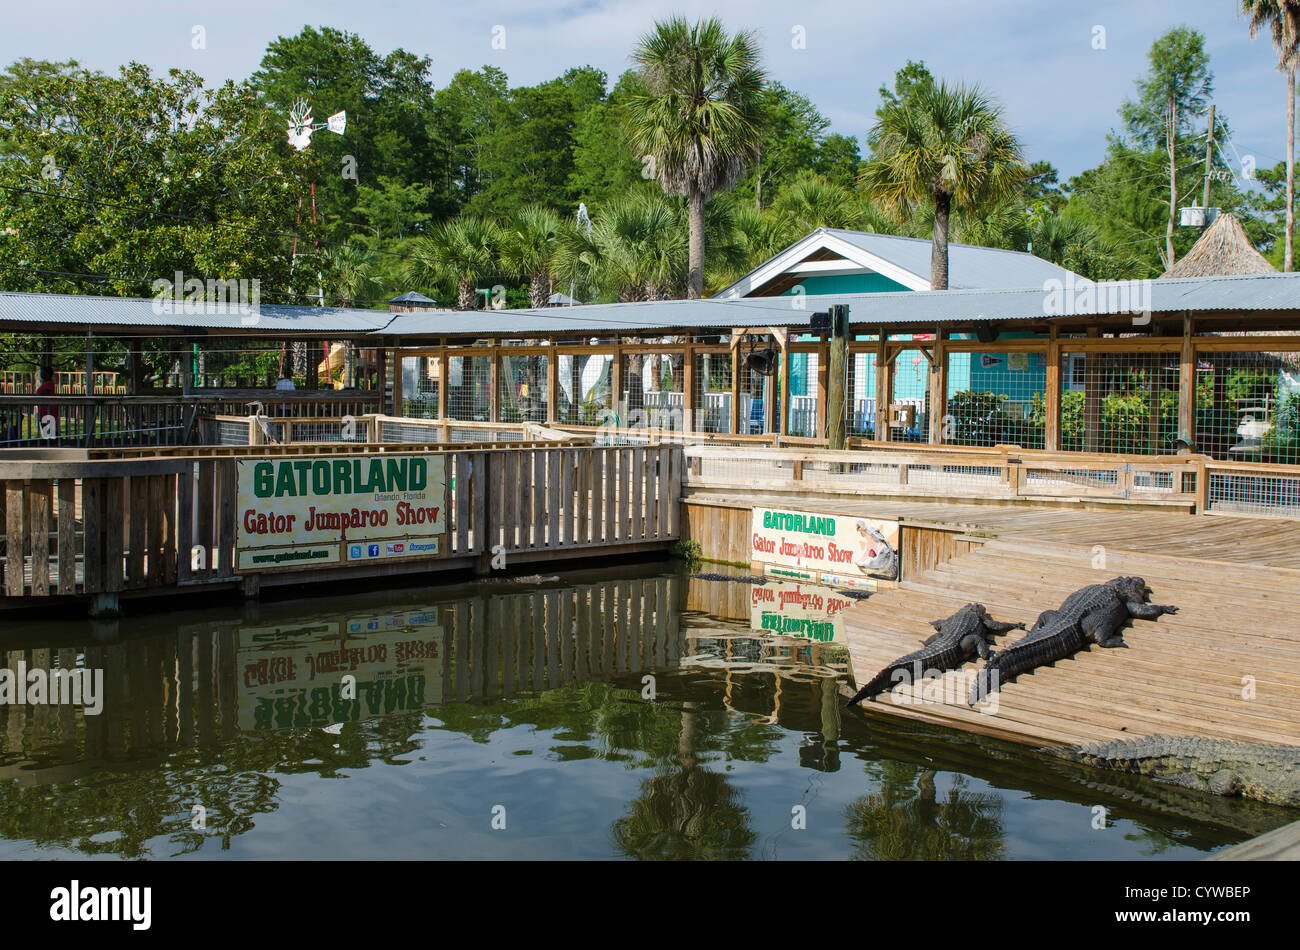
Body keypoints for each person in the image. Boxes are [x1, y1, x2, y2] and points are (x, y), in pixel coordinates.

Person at [34, 365, 58, 438]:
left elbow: (44, 394)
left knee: (49, 433)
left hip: (48, 411)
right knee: (46, 431)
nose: (42, 375)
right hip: (43, 410)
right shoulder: (45, 384)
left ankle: (52, 445)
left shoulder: (49, 384)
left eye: (43, 373)